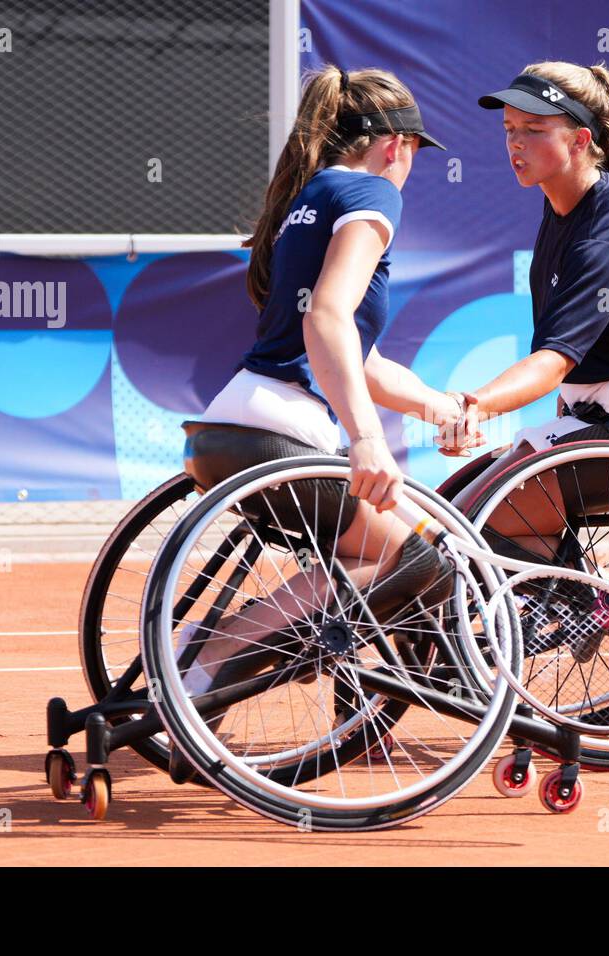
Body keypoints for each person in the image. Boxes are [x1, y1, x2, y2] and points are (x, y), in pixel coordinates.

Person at [173, 65, 467, 709]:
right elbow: (327, 318)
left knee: (389, 548)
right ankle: (212, 659)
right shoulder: (374, 194)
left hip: (233, 427)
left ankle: (201, 644)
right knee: (420, 563)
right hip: (282, 434)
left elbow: (352, 357)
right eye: (415, 152)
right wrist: (366, 440)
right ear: (396, 145)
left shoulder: (311, 197)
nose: (412, 165)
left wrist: (438, 407)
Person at [443, 61, 609, 563]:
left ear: (580, 140)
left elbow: (551, 363)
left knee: (474, 519)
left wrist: (473, 404)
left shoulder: (606, 237)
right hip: (601, 411)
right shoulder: (565, 196)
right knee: (455, 508)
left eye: (534, 130)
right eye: (509, 130)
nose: (515, 143)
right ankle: (559, 607)